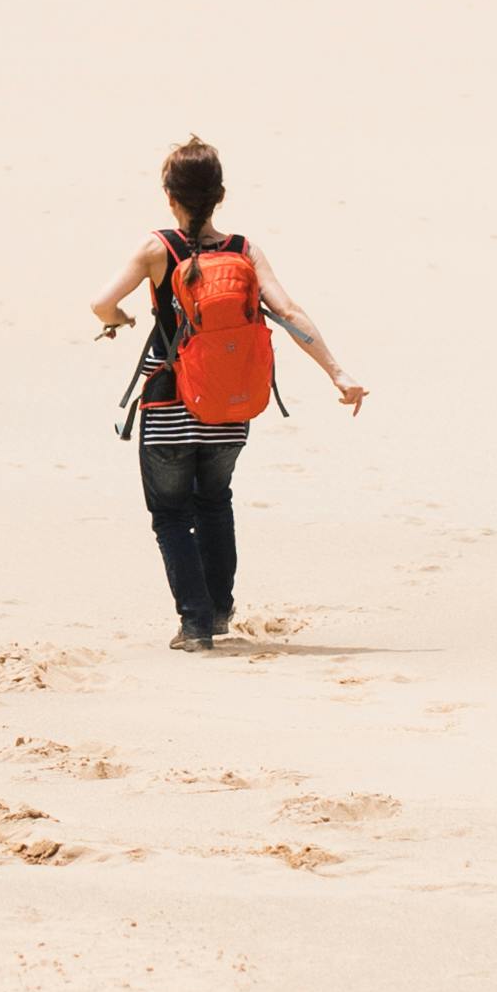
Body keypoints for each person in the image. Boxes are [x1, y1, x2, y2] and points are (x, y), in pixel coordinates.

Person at [90, 138, 364, 646]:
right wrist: (338, 373)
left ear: (170, 196)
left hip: (170, 402)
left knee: (172, 515)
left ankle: (194, 624)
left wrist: (120, 319)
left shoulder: (158, 249)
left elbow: (101, 303)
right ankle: (217, 612)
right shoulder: (244, 251)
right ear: (219, 195)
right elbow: (290, 314)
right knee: (215, 501)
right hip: (229, 408)